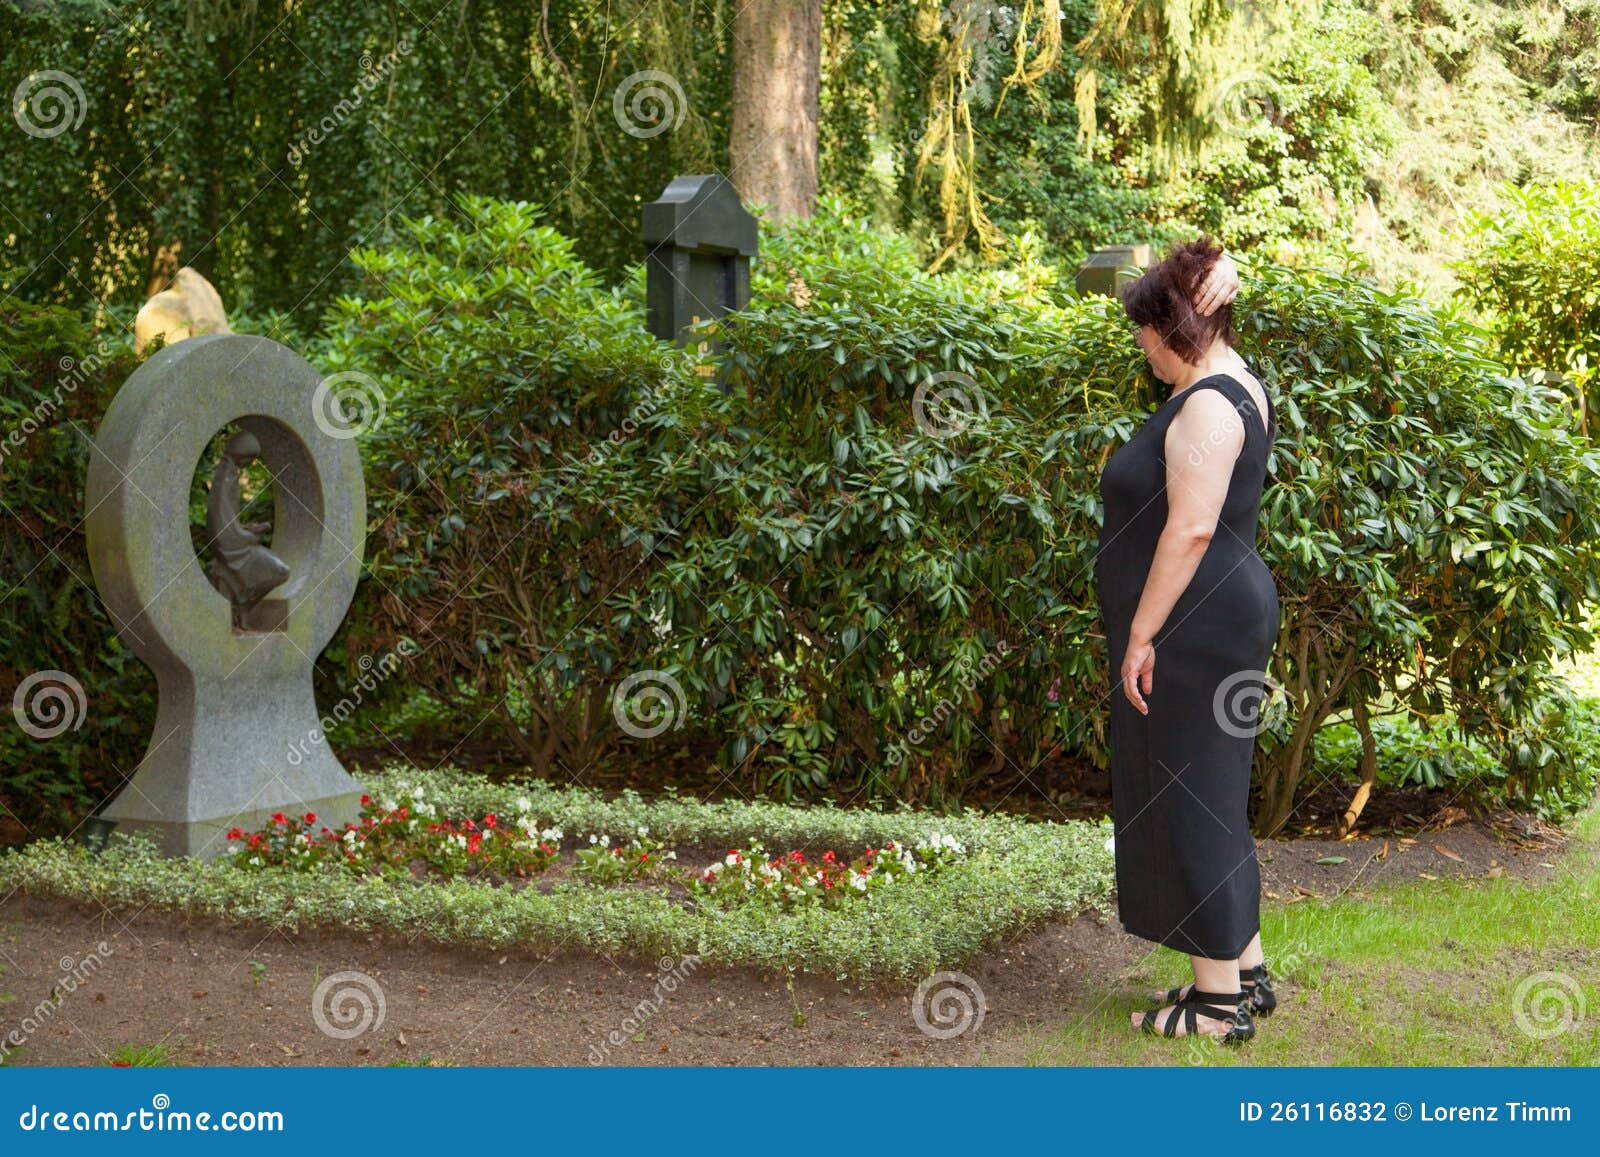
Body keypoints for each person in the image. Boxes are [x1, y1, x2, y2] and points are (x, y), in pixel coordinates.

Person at [1095, 238, 1279, 1044]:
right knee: (1211, 788)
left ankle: (1216, 1005)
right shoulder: (1235, 382)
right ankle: (1245, 970)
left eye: (1146, 326)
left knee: (1188, 794)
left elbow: (1193, 525)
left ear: (1178, 324)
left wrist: (1142, 630)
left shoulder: (1206, 401)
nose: (1140, 343)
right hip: (1215, 617)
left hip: (1191, 626)